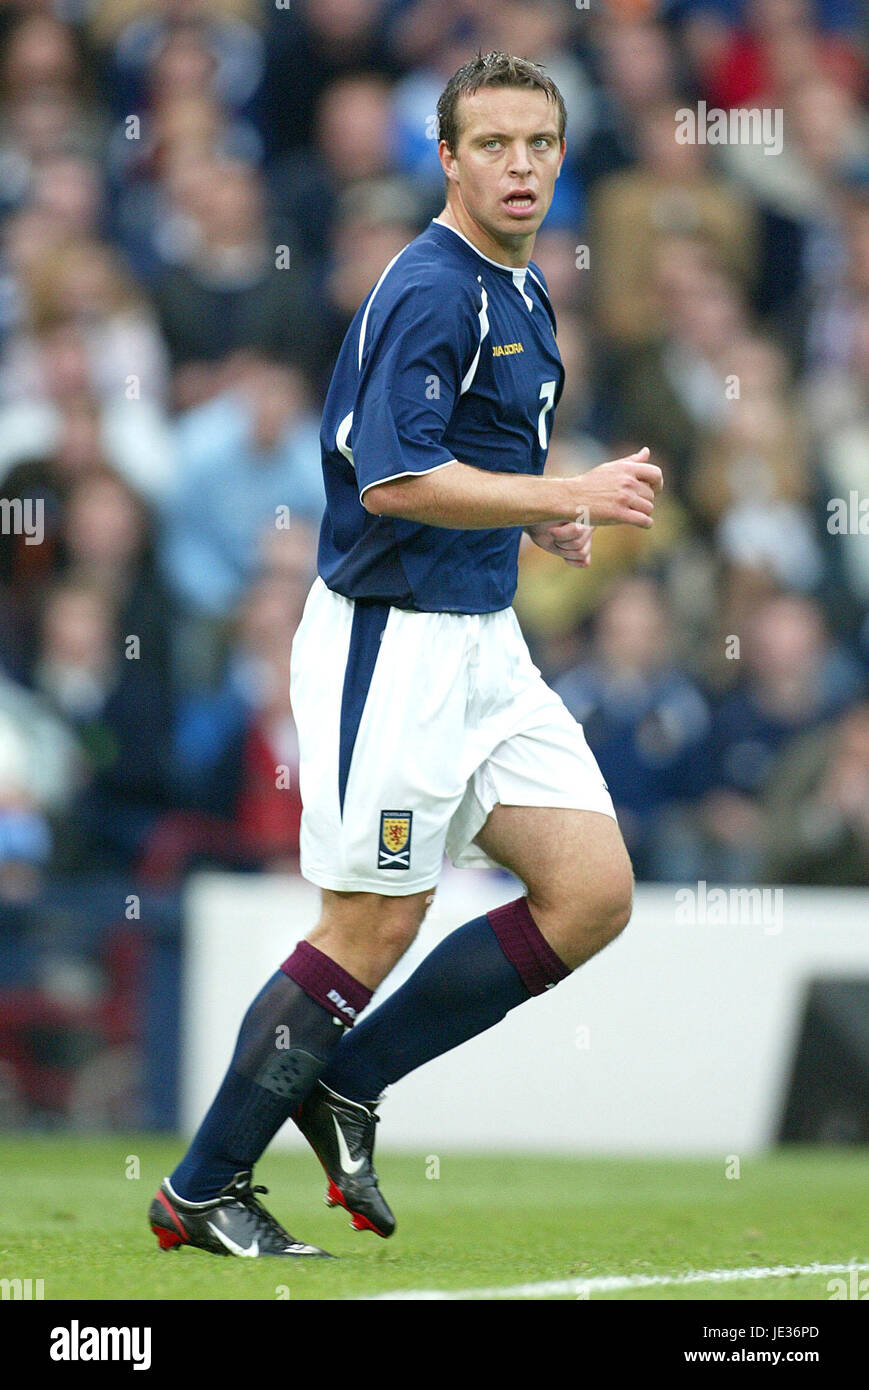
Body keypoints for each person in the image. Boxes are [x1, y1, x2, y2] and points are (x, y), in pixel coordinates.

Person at [149, 51, 662, 1259]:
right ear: (445, 158)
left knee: (590, 892)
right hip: (393, 646)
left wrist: (534, 516)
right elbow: (392, 479)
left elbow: (460, 458)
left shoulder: (518, 289)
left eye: (538, 143)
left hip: (485, 644)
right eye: (492, 144)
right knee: (371, 921)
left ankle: (347, 1076)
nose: (519, 165)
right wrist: (564, 489)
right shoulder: (435, 286)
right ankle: (201, 1186)